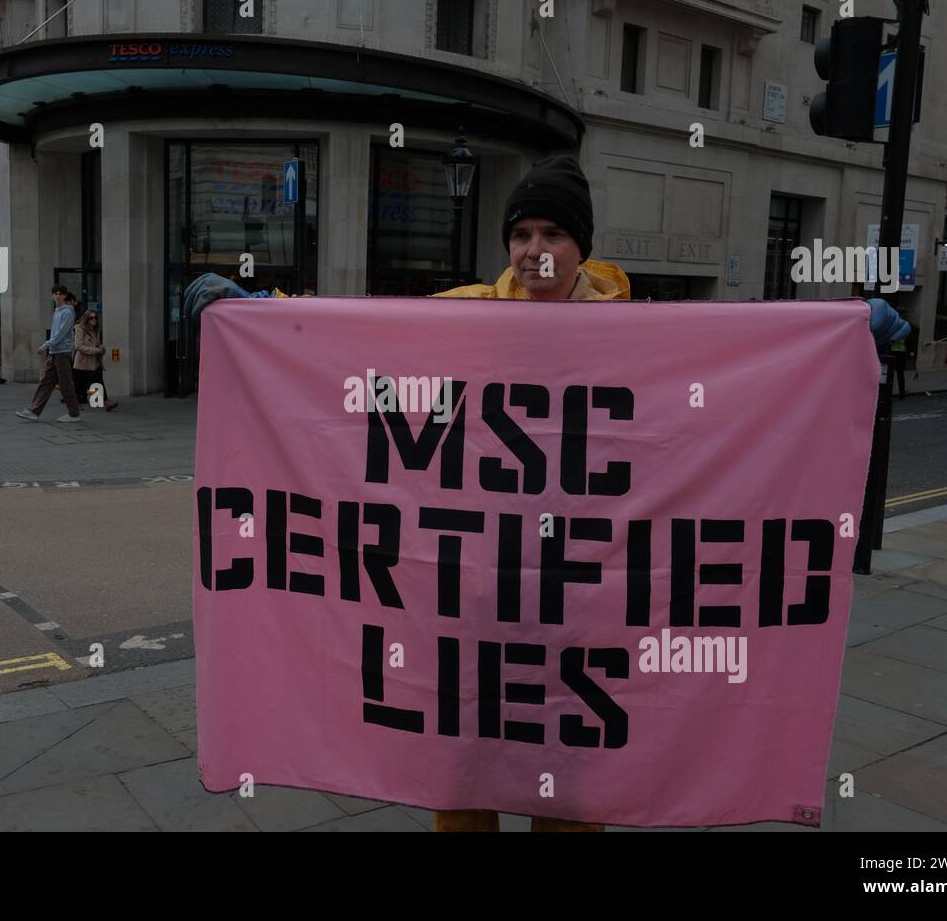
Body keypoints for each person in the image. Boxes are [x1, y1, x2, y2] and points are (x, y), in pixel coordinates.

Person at [184, 155, 909, 833]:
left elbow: (725, 389)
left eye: (554, 233)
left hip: (581, 618)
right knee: (461, 785)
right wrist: (261, 315)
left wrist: (841, 336)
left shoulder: (638, 331)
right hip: (468, 612)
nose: (536, 249)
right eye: (523, 233)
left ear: (581, 248)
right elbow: (358, 362)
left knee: (574, 792)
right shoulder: (459, 316)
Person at [15, 284, 82, 423]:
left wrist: (46, 345)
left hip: (62, 353)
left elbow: (61, 334)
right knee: (46, 383)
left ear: (64, 296)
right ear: (52, 296)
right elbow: (55, 334)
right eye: (55, 293)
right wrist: (50, 348)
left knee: (66, 385)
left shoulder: (68, 312)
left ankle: (74, 414)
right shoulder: (57, 311)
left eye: (60, 294)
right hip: (55, 352)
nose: (57, 296)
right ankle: (34, 411)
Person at [73, 309, 118, 410]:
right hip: (82, 363)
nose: (93, 320)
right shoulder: (80, 329)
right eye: (91, 318)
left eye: (95, 318)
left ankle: (105, 401)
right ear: (86, 319)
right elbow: (78, 346)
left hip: (95, 362)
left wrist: (102, 348)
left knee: (98, 381)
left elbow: (97, 343)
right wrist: (95, 350)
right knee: (80, 385)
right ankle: (76, 403)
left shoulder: (96, 330)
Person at [890, 311, 912, 399]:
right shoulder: (905, 326)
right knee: (900, 374)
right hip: (900, 352)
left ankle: (893, 393)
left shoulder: (893, 325)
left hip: (894, 351)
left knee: (893, 374)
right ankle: (901, 394)